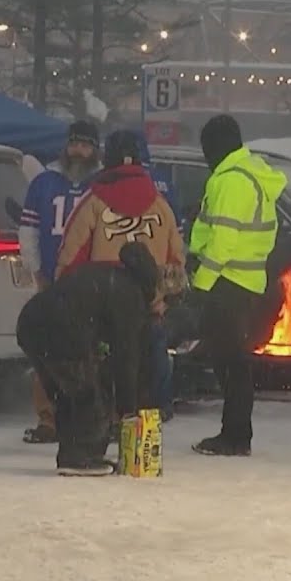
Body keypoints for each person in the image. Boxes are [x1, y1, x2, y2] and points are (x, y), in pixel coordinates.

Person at [55, 129, 186, 419]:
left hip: (102, 308)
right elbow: (175, 258)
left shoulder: (92, 203)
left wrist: (66, 296)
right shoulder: (161, 206)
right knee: (149, 366)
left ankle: (108, 417)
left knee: (106, 370)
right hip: (147, 305)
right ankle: (151, 418)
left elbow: (71, 257)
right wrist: (162, 300)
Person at [15, 242, 159, 476]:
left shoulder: (105, 275)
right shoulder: (129, 294)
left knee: (67, 394)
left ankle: (76, 453)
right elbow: (126, 358)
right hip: (60, 330)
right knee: (88, 394)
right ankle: (79, 458)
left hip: (31, 323)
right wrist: (128, 408)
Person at [187, 114, 286, 457]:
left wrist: (201, 282)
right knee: (233, 361)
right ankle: (235, 433)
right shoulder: (247, 174)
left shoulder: (231, 181)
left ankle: (234, 435)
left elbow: (224, 241)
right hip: (245, 279)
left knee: (230, 363)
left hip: (227, 281)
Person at [17, 121, 101, 444]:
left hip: (88, 282)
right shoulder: (44, 182)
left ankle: (87, 415)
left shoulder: (100, 183)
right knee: (46, 351)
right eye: (75, 144)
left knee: (88, 350)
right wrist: (36, 270)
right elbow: (29, 231)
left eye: (86, 145)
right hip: (52, 280)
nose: (79, 151)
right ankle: (48, 418)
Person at [114, 128, 182, 420]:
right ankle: (159, 405)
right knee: (156, 345)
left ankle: (125, 408)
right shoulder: (163, 185)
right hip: (153, 282)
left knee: (124, 349)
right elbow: (176, 241)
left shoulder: (107, 185)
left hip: (117, 281)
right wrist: (167, 291)